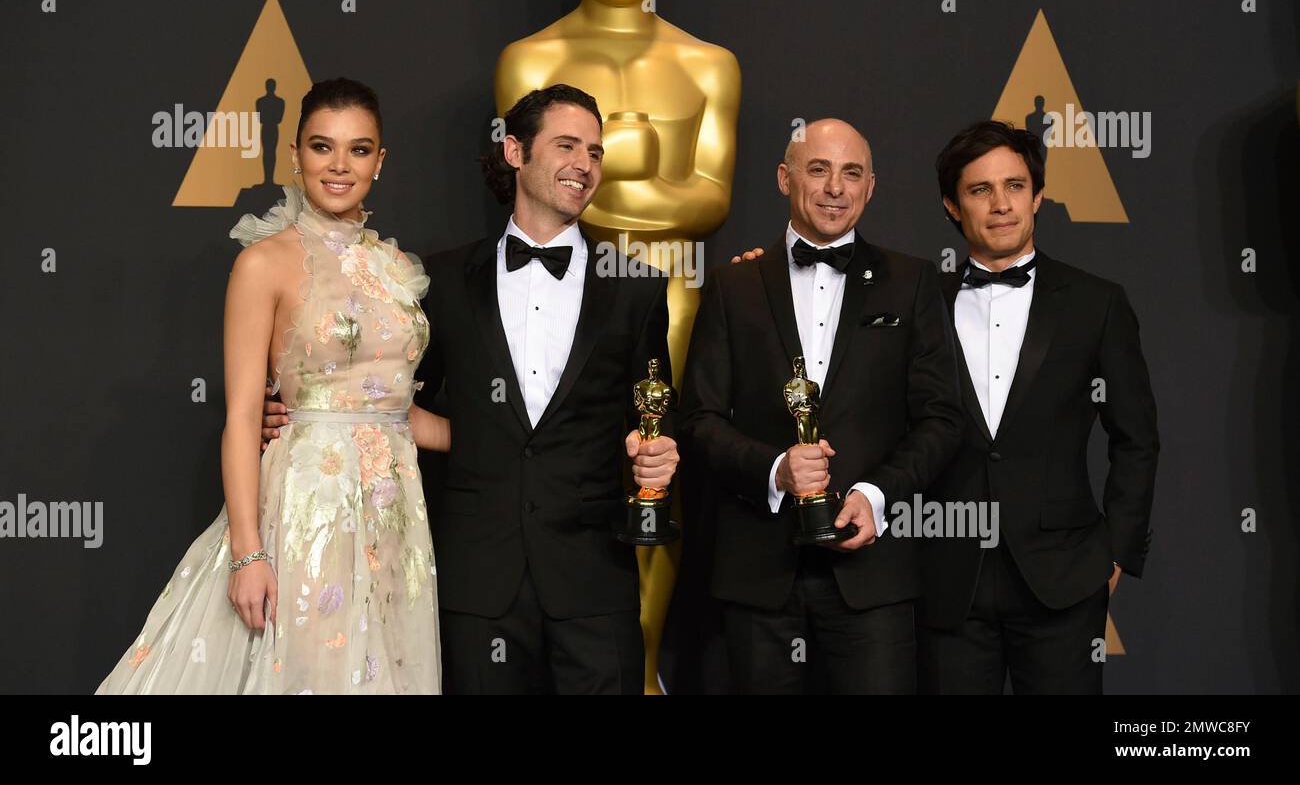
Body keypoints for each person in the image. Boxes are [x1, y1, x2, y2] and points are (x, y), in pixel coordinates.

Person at [265, 83, 679, 694]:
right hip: (473, 580)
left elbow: (653, 418)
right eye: (567, 146)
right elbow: (385, 395)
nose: (584, 166)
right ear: (514, 151)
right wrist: (300, 416)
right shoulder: (436, 281)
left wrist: (659, 454)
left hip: (593, 583)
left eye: (595, 153)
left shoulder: (638, 289)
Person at [97, 79, 447, 694]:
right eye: (322, 147)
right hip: (307, 509)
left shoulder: (397, 267)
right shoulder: (263, 264)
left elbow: (400, 413)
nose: (340, 166)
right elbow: (239, 418)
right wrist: (248, 553)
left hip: (396, 516)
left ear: (380, 161)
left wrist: (520, 440)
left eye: (359, 150)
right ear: (295, 154)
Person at [680, 119, 964, 693]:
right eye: (819, 169)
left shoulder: (912, 283)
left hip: (872, 577)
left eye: (851, 173)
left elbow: (941, 417)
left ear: (871, 187)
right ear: (784, 178)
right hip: (757, 575)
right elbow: (698, 420)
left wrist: (876, 494)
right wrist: (774, 469)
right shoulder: (732, 287)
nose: (836, 187)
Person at [919, 120, 1159, 694]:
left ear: (1038, 195)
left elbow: (1137, 438)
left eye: (1015, 186)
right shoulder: (920, 299)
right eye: (980, 190)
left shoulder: (1097, 303)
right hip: (947, 576)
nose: (1001, 204)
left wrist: (1117, 551)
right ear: (953, 206)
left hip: (1064, 577)